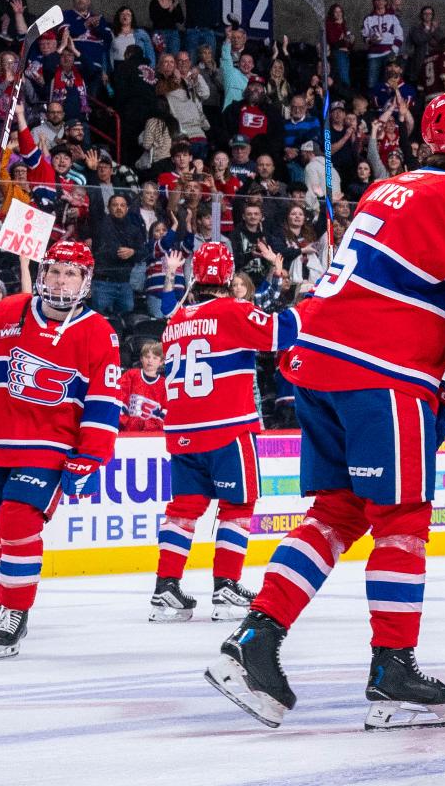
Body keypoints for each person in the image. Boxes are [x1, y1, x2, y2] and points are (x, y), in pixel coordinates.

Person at [209, 89, 445, 731]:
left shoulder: (393, 189)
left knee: (336, 512)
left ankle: (254, 641)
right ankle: (392, 670)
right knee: (403, 518)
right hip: (382, 370)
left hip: (320, 365)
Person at [0, 241, 124, 659]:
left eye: (71, 272)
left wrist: (91, 456)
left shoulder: (99, 331)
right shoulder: (8, 310)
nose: (61, 279)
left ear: (85, 281)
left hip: (48, 446)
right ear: (43, 273)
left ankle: (15, 612)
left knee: (16, 524)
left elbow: (104, 403)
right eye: (54, 270)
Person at [147, 241, 300, 624]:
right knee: (237, 507)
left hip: (182, 430)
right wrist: (316, 299)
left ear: (195, 275)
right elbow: (282, 334)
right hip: (227, 427)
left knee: (183, 509)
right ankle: (226, 586)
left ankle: (166, 588)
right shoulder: (234, 310)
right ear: (229, 276)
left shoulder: (177, 319)